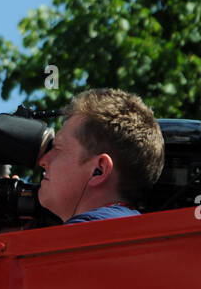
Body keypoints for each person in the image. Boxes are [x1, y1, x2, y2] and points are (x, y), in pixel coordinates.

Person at [36, 88, 164, 223]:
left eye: (58, 149)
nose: (43, 161)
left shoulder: (83, 232)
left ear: (99, 170)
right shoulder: (132, 228)